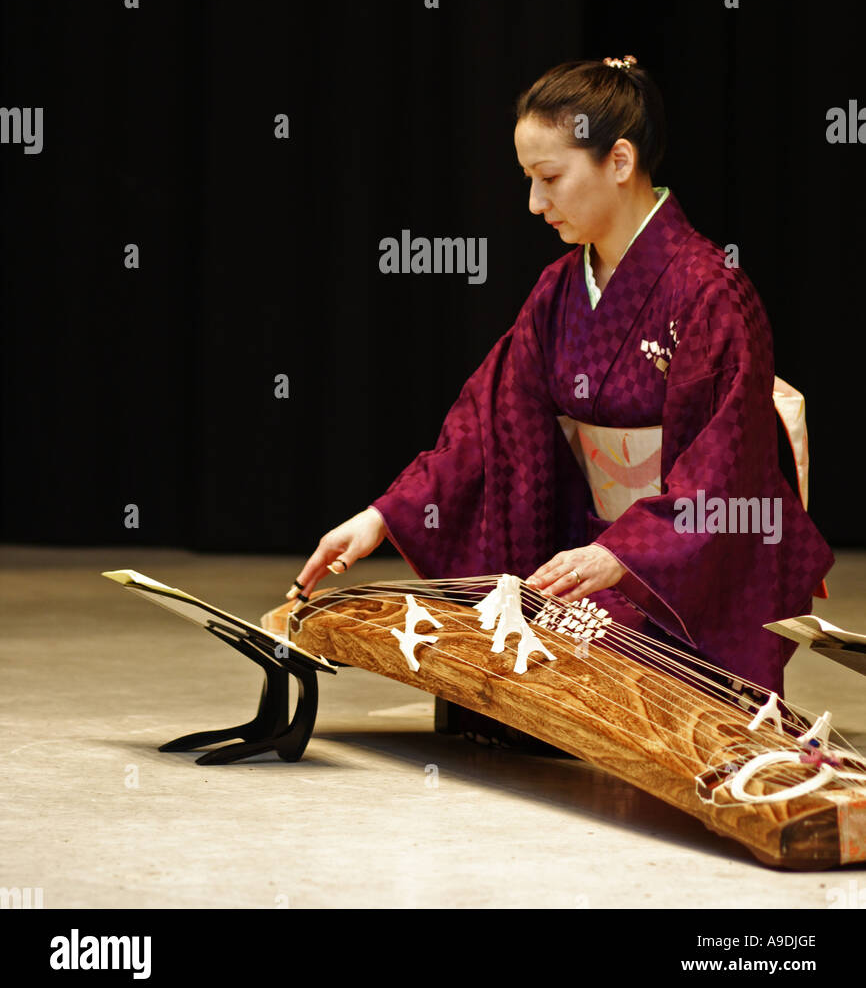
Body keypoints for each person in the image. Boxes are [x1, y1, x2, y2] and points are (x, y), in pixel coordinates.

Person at [292, 56, 833, 695]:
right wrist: (381, 517)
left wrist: (623, 556)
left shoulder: (711, 291)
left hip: (688, 576)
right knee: (510, 650)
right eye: (529, 179)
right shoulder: (557, 291)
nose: (533, 202)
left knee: (559, 671)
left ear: (621, 162)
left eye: (549, 177)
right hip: (597, 556)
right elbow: (491, 426)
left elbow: (725, 471)